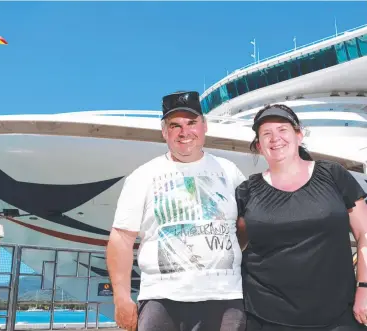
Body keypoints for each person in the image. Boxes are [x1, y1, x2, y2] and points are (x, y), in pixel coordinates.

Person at [106, 91, 247, 331]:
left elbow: (243, 227)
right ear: (164, 132)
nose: (185, 132)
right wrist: (121, 298)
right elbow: (121, 238)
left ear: (204, 126)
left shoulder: (229, 171)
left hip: (225, 296)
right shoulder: (143, 176)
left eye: (192, 123)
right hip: (161, 297)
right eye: (175, 125)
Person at [235, 104, 367, 330]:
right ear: (259, 145)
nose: (275, 138)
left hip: (338, 313)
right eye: (266, 133)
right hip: (266, 316)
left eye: (282, 130)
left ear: (299, 134)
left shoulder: (334, 175)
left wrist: (364, 288)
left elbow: (364, 234)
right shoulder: (247, 192)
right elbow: (233, 246)